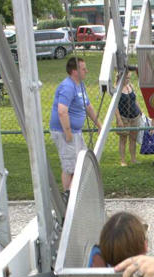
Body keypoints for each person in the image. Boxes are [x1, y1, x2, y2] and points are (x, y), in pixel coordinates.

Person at [49, 56, 102, 193]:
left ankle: (74, 195)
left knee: (80, 164)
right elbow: (62, 111)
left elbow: (88, 106)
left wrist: (99, 124)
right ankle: (68, 197)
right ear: (74, 71)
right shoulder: (68, 87)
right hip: (65, 132)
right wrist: (68, 133)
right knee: (70, 168)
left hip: (75, 132)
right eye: (83, 69)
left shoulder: (80, 86)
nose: (87, 71)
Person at [115, 71, 141, 167]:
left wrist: (140, 110)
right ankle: (122, 160)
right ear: (120, 78)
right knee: (123, 139)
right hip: (124, 117)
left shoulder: (131, 86)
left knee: (133, 139)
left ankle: (133, 159)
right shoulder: (117, 89)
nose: (128, 80)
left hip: (134, 116)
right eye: (126, 78)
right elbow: (115, 107)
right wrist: (119, 119)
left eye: (129, 78)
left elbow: (135, 100)